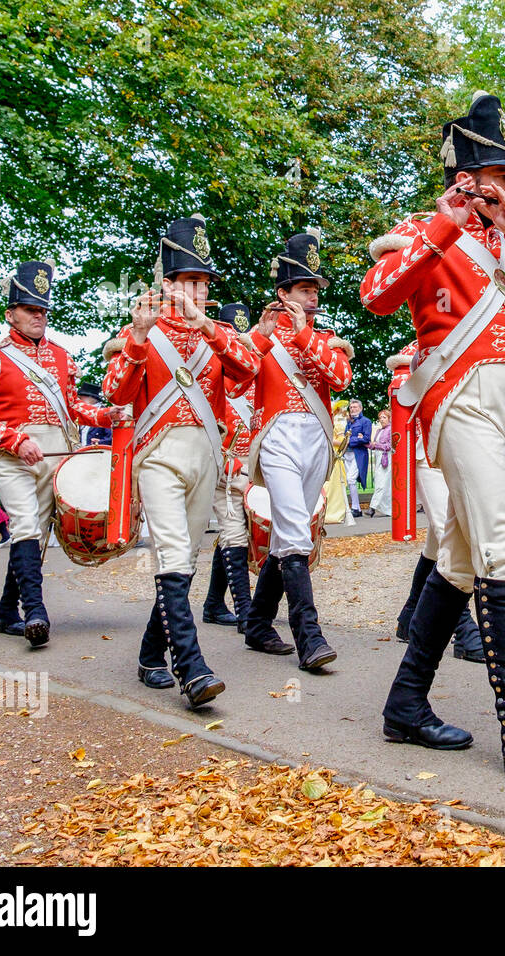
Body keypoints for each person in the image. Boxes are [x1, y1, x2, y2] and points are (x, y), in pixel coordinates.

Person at [361, 90, 505, 784]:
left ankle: (405, 703)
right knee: (502, 543)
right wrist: (444, 224)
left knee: (462, 562)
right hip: (459, 400)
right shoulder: (423, 229)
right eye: (501, 175)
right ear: (465, 174)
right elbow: (377, 294)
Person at [104, 217, 259, 705]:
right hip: (158, 458)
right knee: (171, 556)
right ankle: (191, 669)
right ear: (167, 284)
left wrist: (210, 328)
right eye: (189, 280)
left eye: (203, 282)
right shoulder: (141, 333)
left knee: (184, 563)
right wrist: (136, 336)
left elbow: (249, 370)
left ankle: (151, 654)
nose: (197, 289)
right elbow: (115, 394)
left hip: (205, 457)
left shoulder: (218, 334)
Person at [0, 261, 125, 646]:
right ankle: (35, 614)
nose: (38, 318)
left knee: (32, 537)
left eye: (42, 311)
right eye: (30, 310)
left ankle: (6, 613)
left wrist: (107, 414)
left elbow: (73, 408)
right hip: (12, 458)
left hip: (55, 458)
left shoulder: (63, 357)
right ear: (11, 314)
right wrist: (14, 439)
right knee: (25, 526)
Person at [240, 227, 353, 673]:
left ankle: (257, 621)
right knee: (294, 531)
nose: (314, 297)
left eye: (316, 290)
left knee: (291, 533)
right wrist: (264, 335)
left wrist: (306, 334)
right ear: (283, 291)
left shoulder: (324, 338)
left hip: (316, 438)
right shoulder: (259, 337)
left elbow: (339, 378)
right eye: (305, 289)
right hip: (277, 437)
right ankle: (309, 636)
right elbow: (236, 377)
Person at [388, 342, 485, 664]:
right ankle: (463, 629)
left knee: (436, 541)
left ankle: (410, 616)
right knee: (449, 535)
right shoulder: (418, 346)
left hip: (458, 445)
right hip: (424, 448)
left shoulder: (471, 336)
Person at [200, 303, 266, 638]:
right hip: (223, 465)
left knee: (233, 532)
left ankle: (214, 603)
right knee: (235, 531)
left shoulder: (252, 376)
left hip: (248, 470)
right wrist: (233, 465)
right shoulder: (211, 374)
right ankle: (245, 610)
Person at [345, 399, 371, 517]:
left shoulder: (366, 421)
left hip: (359, 454)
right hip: (347, 454)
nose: (353, 409)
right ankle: (356, 508)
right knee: (349, 481)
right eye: (351, 407)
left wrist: (352, 440)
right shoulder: (349, 422)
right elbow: (346, 438)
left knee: (351, 479)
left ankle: (356, 508)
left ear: (360, 408)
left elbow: (366, 439)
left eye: (355, 407)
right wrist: (356, 438)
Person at [364, 408, 392, 517]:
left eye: (384, 417)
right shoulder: (379, 431)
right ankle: (388, 509)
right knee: (381, 484)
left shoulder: (391, 430)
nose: (381, 420)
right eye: (380, 418)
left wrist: (376, 445)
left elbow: (390, 446)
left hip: (386, 459)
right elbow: (373, 445)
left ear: (389, 418)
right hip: (378, 458)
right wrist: (365, 443)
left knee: (381, 483)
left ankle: (372, 508)